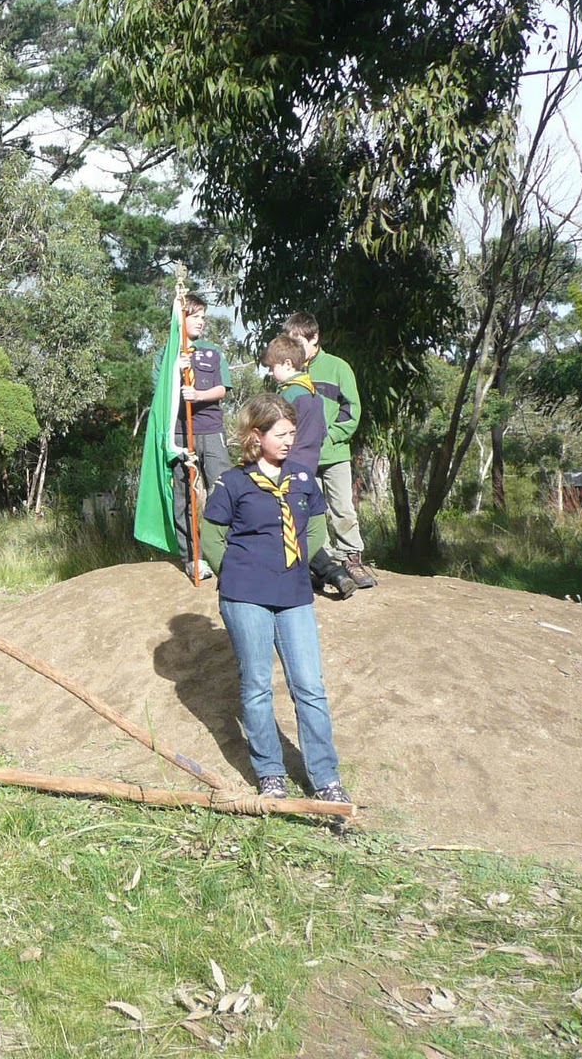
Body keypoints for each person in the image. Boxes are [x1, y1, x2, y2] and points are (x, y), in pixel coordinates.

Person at [200, 393, 352, 806]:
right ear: (256, 435)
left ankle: (325, 777)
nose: (288, 441)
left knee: (310, 687)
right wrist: (236, 571)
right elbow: (212, 535)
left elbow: (316, 530)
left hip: (295, 595)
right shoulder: (233, 483)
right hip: (245, 595)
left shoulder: (304, 479)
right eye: (280, 434)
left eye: (291, 433)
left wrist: (297, 562)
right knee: (256, 688)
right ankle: (270, 772)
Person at [282, 312, 377, 589]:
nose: (293, 347)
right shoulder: (290, 374)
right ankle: (322, 566)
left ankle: (352, 560)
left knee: (343, 509)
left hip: (334, 456)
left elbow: (352, 408)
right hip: (302, 459)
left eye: (298, 341)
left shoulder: (338, 367)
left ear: (315, 338)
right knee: (312, 512)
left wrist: (332, 437)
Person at [261, 335, 359, 599]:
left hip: (289, 468)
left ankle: (333, 574)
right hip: (308, 465)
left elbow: (278, 432)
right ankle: (315, 574)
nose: (271, 372)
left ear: (288, 363)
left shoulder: (290, 394)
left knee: (293, 526)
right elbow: (319, 433)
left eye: (273, 367)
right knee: (300, 524)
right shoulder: (312, 393)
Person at [172, 293, 232, 580]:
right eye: (195, 316)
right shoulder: (168, 353)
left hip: (210, 429)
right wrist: (176, 371)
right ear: (180, 318)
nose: (201, 322)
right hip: (180, 433)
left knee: (223, 489)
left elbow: (221, 389)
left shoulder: (212, 351)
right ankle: (192, 557)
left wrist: (198, 395)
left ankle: (227, 552)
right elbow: (160, 397)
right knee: (184, 495)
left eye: (203, 317)